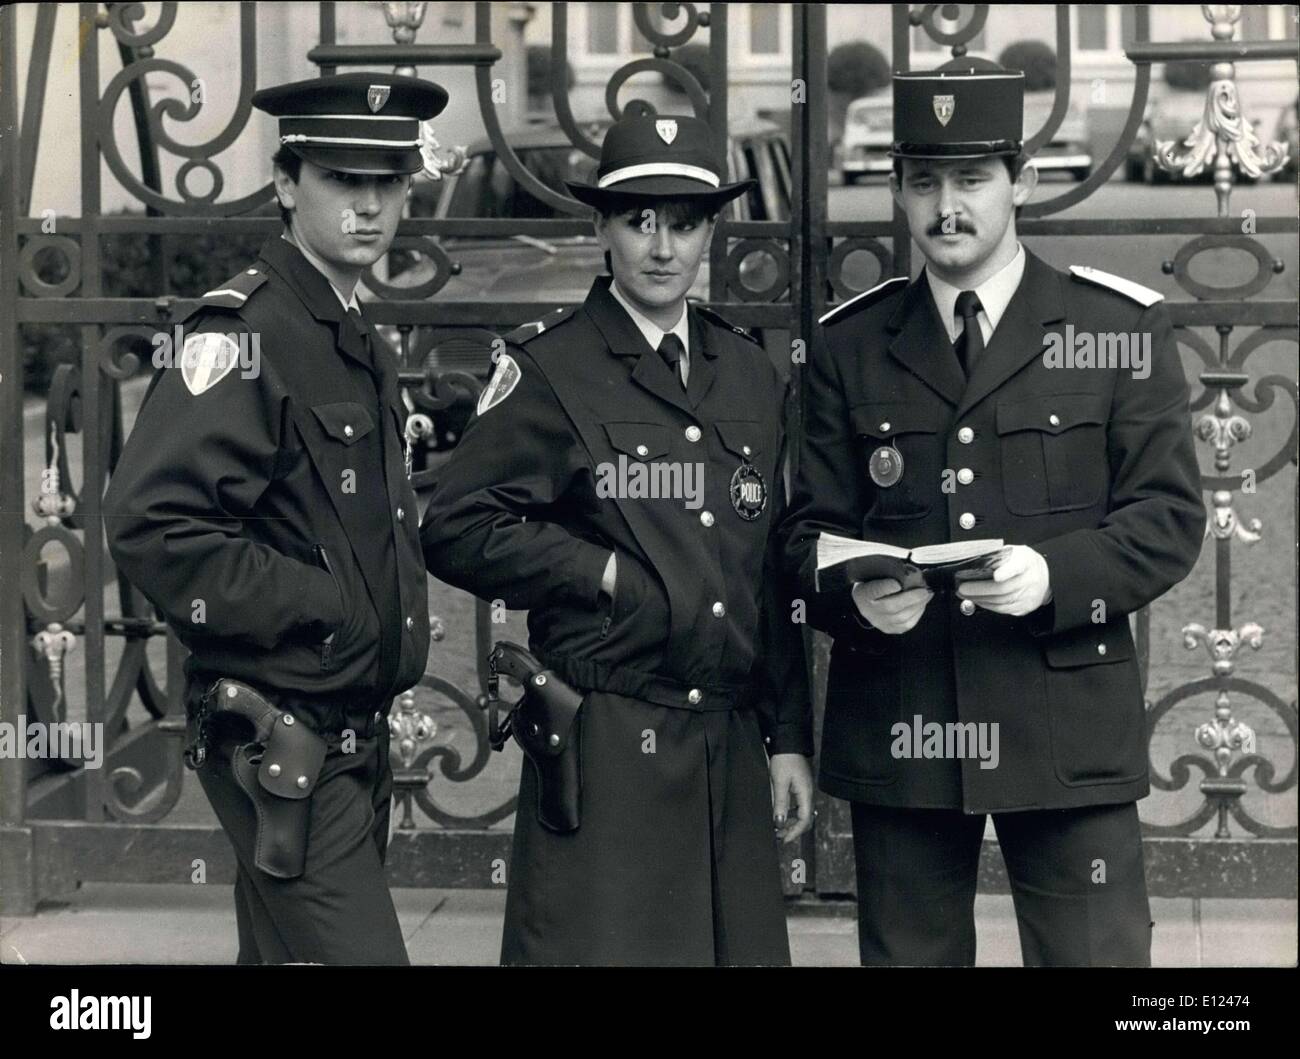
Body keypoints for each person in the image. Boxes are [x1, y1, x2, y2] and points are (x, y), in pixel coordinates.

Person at [781, 60, 1205, 967]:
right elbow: (799, 538)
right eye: (925, 181)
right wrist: (850, 596)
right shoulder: (850, 345)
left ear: (1023, 181)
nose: (948, 207)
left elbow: (1167, 517)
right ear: (896, 189)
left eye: (972, 179)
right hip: (906, 718)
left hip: (1064, 720)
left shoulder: (1116, 327)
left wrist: (1057, 573)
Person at [420, 112, 815, 966]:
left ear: (711, 227)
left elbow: (770, 570)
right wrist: (595, 568)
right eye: (638, 219)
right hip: (607, 741)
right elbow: (455, 527)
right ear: (600, 225)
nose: (661, 245)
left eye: (683, 221)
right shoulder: (549, 369)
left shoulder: (748, 370)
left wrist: (788, 739)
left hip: (727, 747)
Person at [104, 73, 445, 964]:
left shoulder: (349, 328)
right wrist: (328, 607)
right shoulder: (246, 331)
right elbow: (151, 522)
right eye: (344, 182)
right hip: (281, 733)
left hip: (345, 737)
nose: (370, 208)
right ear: (289, 184)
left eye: (390, 183)